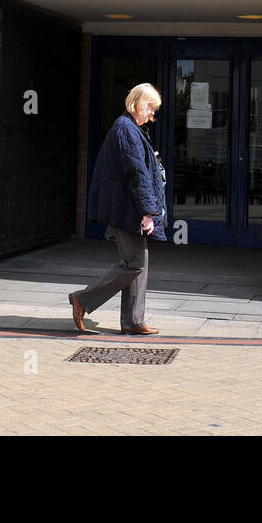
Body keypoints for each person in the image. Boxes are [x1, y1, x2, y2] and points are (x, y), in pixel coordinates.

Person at [69, 83, 166, 335]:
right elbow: (135, 173)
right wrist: (148, 212)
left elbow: (137, 167)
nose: (151, 116)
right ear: (140, 104)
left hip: (127, 206)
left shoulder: (129, 128)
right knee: (134, 263)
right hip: (127, 208)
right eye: (151, 109)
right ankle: (83, 298)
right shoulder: (126, 129)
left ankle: (133, 321)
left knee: (139, 263)